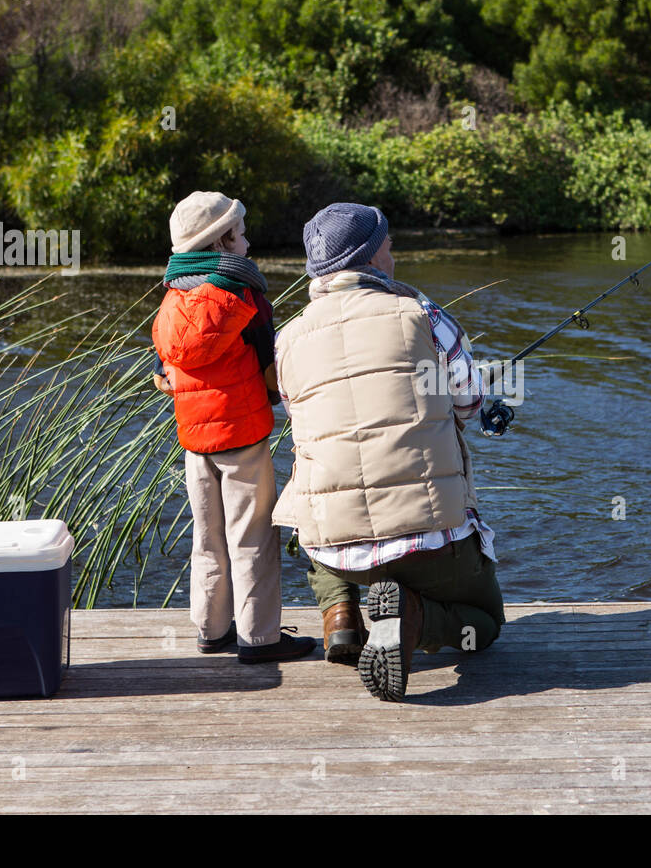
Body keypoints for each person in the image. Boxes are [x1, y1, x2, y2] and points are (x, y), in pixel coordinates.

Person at [271, 202, 505, 701]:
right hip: (432, 541)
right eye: (390, 245)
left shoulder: (285, 341)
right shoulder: (423, 314)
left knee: (313, 519)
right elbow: (469, 403)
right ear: (373, 257)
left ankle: (342, 619)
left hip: (337, 548)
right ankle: (414, 618)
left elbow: (300, 416)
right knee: (484, 624)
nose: (394, 254)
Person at [151, 190, 313, 664]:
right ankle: (260, 639)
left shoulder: (171, 299)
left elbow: (164, 366)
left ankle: (210, 628)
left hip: (194, 442)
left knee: (208, 538)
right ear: (221, 242)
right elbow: (269, 362)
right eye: (239, 234)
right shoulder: (242, 296)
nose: (247, 241)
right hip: (243, 439)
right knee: (252, 539)